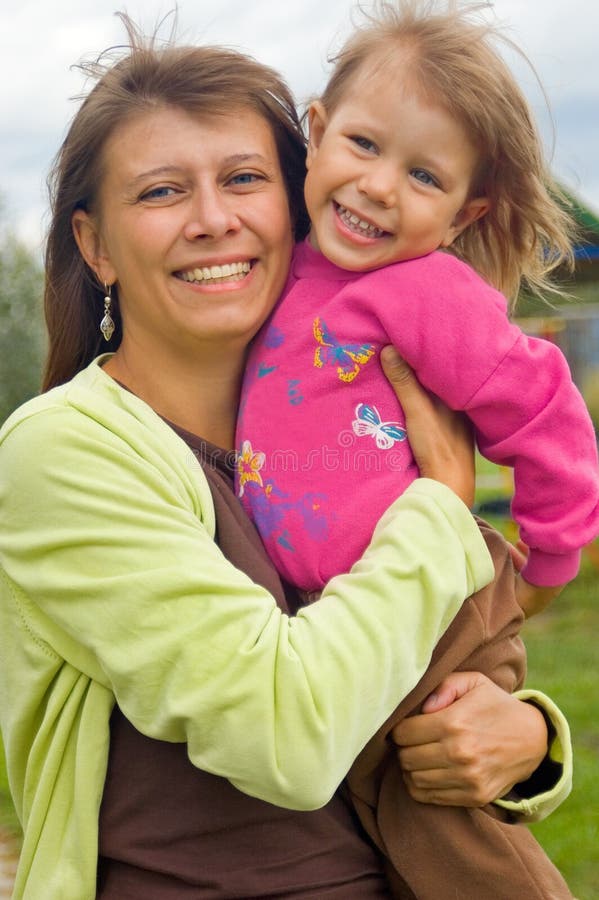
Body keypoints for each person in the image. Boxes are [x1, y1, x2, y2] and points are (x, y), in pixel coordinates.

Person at [0, 15, 572, 900]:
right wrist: (443, 503)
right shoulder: (64, 451)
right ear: (95, 246)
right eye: (160, 193)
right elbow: (289, 737)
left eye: (243, 179)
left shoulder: (342, 422)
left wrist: (525, 741)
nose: (213, 220)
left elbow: (413, 676)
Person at [236, 0, 599, 620]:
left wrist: (549, 562)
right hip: (303, 614)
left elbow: (543, 408)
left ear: (462, 217)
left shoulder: (427, 291)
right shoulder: (273, 267)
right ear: (318, 135)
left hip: (414, 614)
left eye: (425, 176)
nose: (379, 186)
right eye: (364, 143)